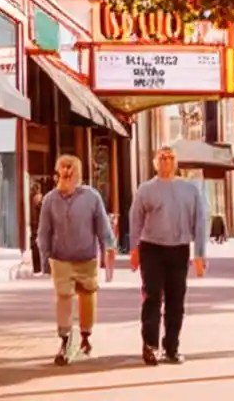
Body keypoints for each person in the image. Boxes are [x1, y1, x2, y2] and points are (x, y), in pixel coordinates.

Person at [129, 146, 208, 366]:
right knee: (152, 296)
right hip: (152, 248)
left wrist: (200, 254)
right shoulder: (146, 189)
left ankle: (171, 348)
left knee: (176, 300)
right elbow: (135, 219)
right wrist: (134, 249)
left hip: (179, 248)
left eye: (170, 157)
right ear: (155, 162)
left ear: (176, 162)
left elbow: (200, 221)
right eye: (162, 157)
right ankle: (150, 346)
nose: (166, 161)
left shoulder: (189, 190)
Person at [37, 154, 116, 366]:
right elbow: (43, 232)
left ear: (78, 175)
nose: (66, 172)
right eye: (62, 168)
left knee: (87, 297)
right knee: (64, 297)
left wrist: (108, 248)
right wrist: (45, 259)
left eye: (70, 169)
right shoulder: (50, 200)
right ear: (57, 173)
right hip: (60, 258)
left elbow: (103, 227)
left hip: (86, 258)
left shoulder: (92, 197)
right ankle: (65, 341)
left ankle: (85, 336)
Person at [30, 186, 44, 276]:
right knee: (37, 247)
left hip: (35, 226)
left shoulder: (32, 199)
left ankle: (37, 268)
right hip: (37, 225)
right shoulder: (38, 198)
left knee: (35, 247)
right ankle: (38, 268)